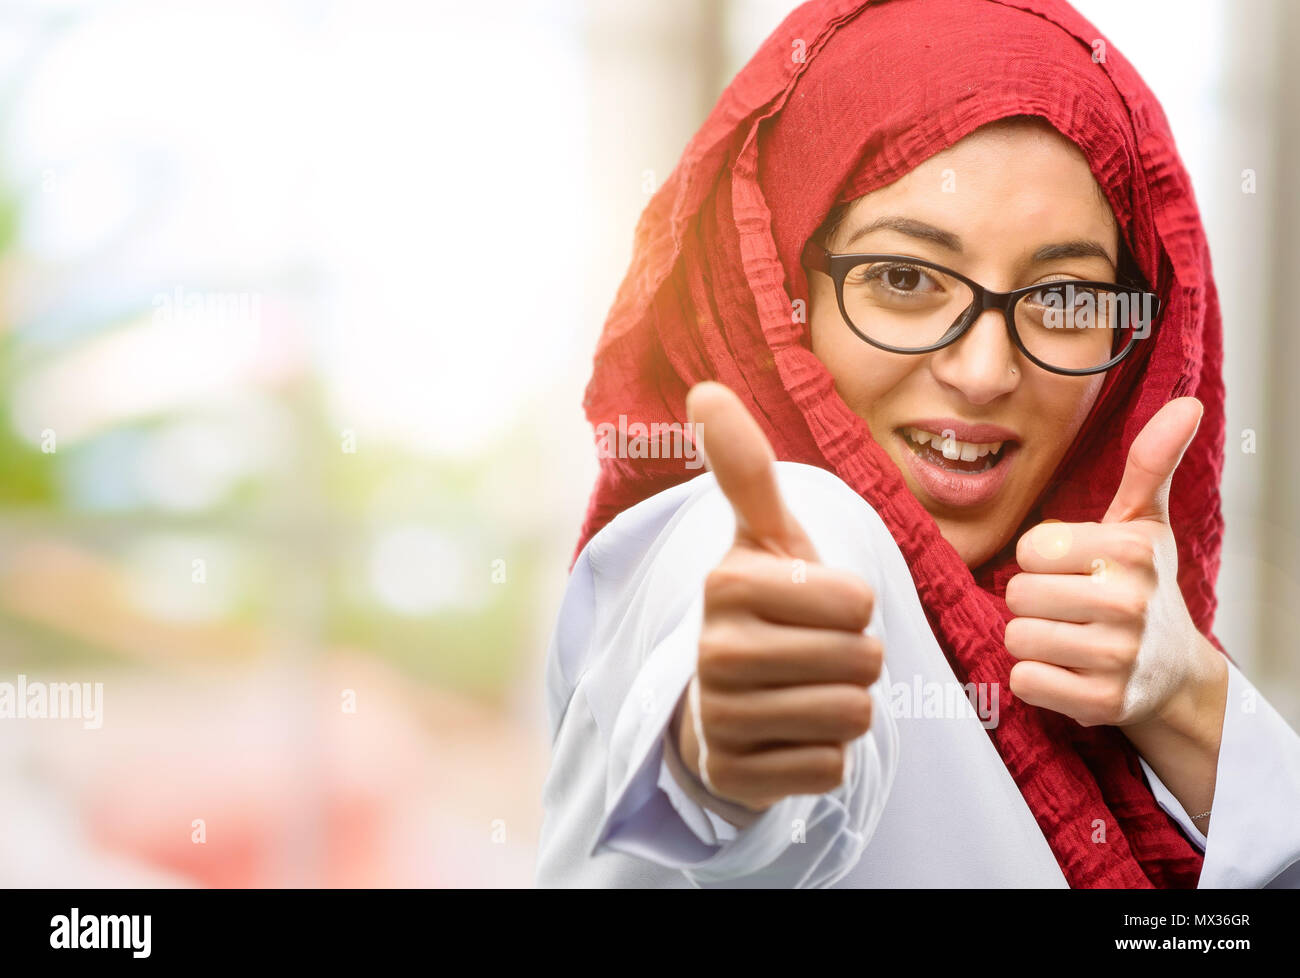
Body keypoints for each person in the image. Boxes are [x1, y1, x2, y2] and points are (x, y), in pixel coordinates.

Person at [535, 0, 1300, 888]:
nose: (983, 372)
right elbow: (739, 760)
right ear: (780, 283)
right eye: (903, 278)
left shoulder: (1120, 687)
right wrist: (732, 742)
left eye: (1063, 297)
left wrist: (1189, 698)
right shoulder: (783, 530)